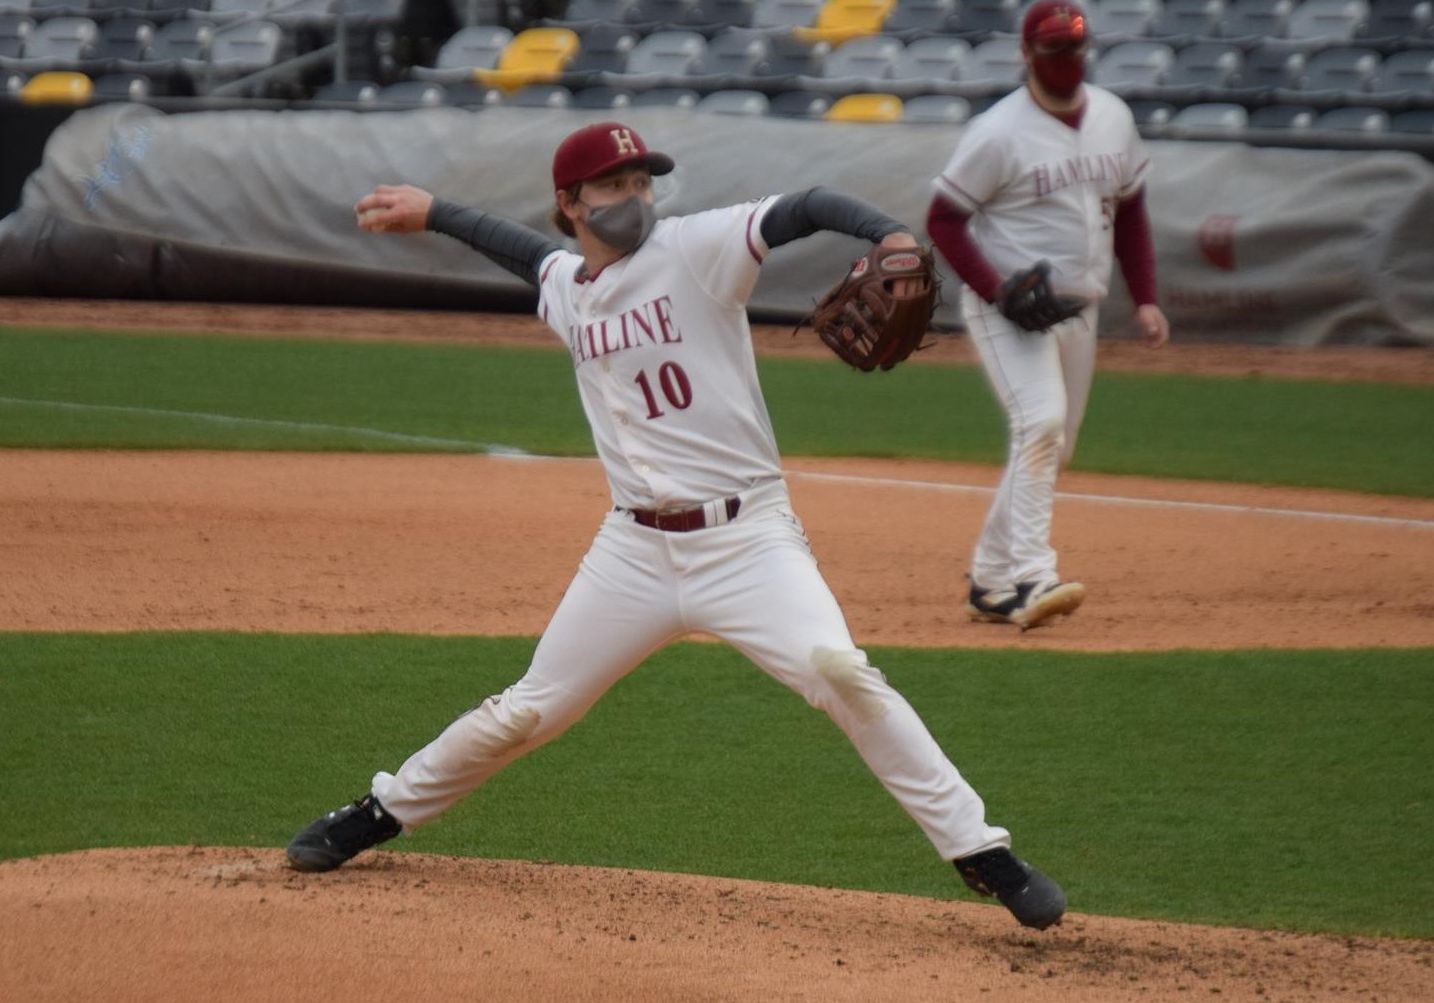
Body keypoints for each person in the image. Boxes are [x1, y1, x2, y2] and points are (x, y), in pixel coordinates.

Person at [284, 120, 1067, 931]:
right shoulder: (565, 285)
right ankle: (381, 811)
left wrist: (891, 233)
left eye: (643, 182)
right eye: (615, 186)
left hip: (748, 541)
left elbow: (804, 206)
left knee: (839, 670)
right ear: (571, 203)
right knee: (530, 710)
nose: (635, 198)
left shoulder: (697, 247)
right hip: (633, 552)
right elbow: (524, 253)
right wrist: (436, 211)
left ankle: (984, 854)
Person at [926, 0, 1171, 631]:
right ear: (1028, 54)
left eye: (1075, 48)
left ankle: (988, 579)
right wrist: (995, 289)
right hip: (1004, 309)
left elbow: (1133, 208)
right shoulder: (998, 132)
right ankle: (1033, 576)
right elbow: (943, 220)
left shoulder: (1113, 117)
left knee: (1051, 446)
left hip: (1077, 308)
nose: (1067, 59)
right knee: (1040, 424)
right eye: (1055, 48)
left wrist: (1144, 298)